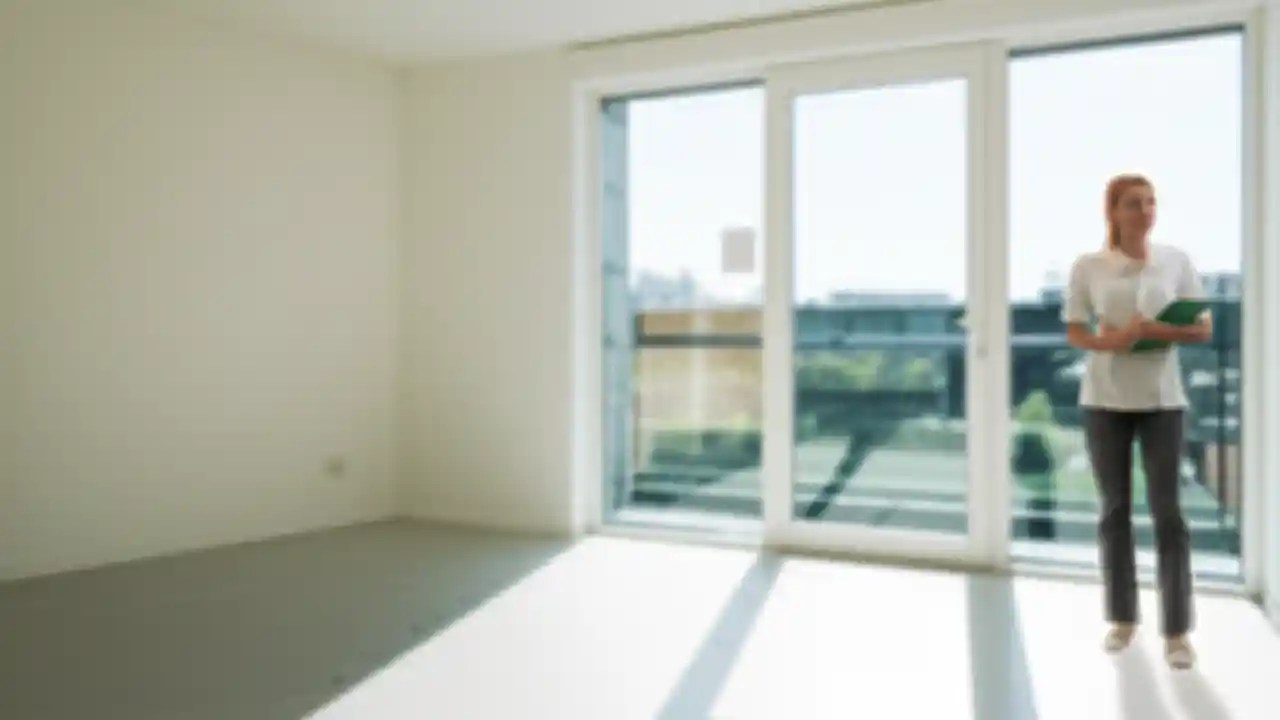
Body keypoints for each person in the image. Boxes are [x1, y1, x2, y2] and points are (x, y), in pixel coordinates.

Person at [1061, 174, 1212, 670]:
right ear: (1113, 211)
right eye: (1134, 204)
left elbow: (1203, 327)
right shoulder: (1090, 266)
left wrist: (1155, 330)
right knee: (1114, 510)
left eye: (1150, 203)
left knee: (1169, 513)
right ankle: (1123, 620)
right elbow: (1077, 332)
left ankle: (1176, 632)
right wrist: (1118, 339)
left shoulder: (1176, 260)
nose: (1146, 211)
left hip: (1163, 399)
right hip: (1103, 399)